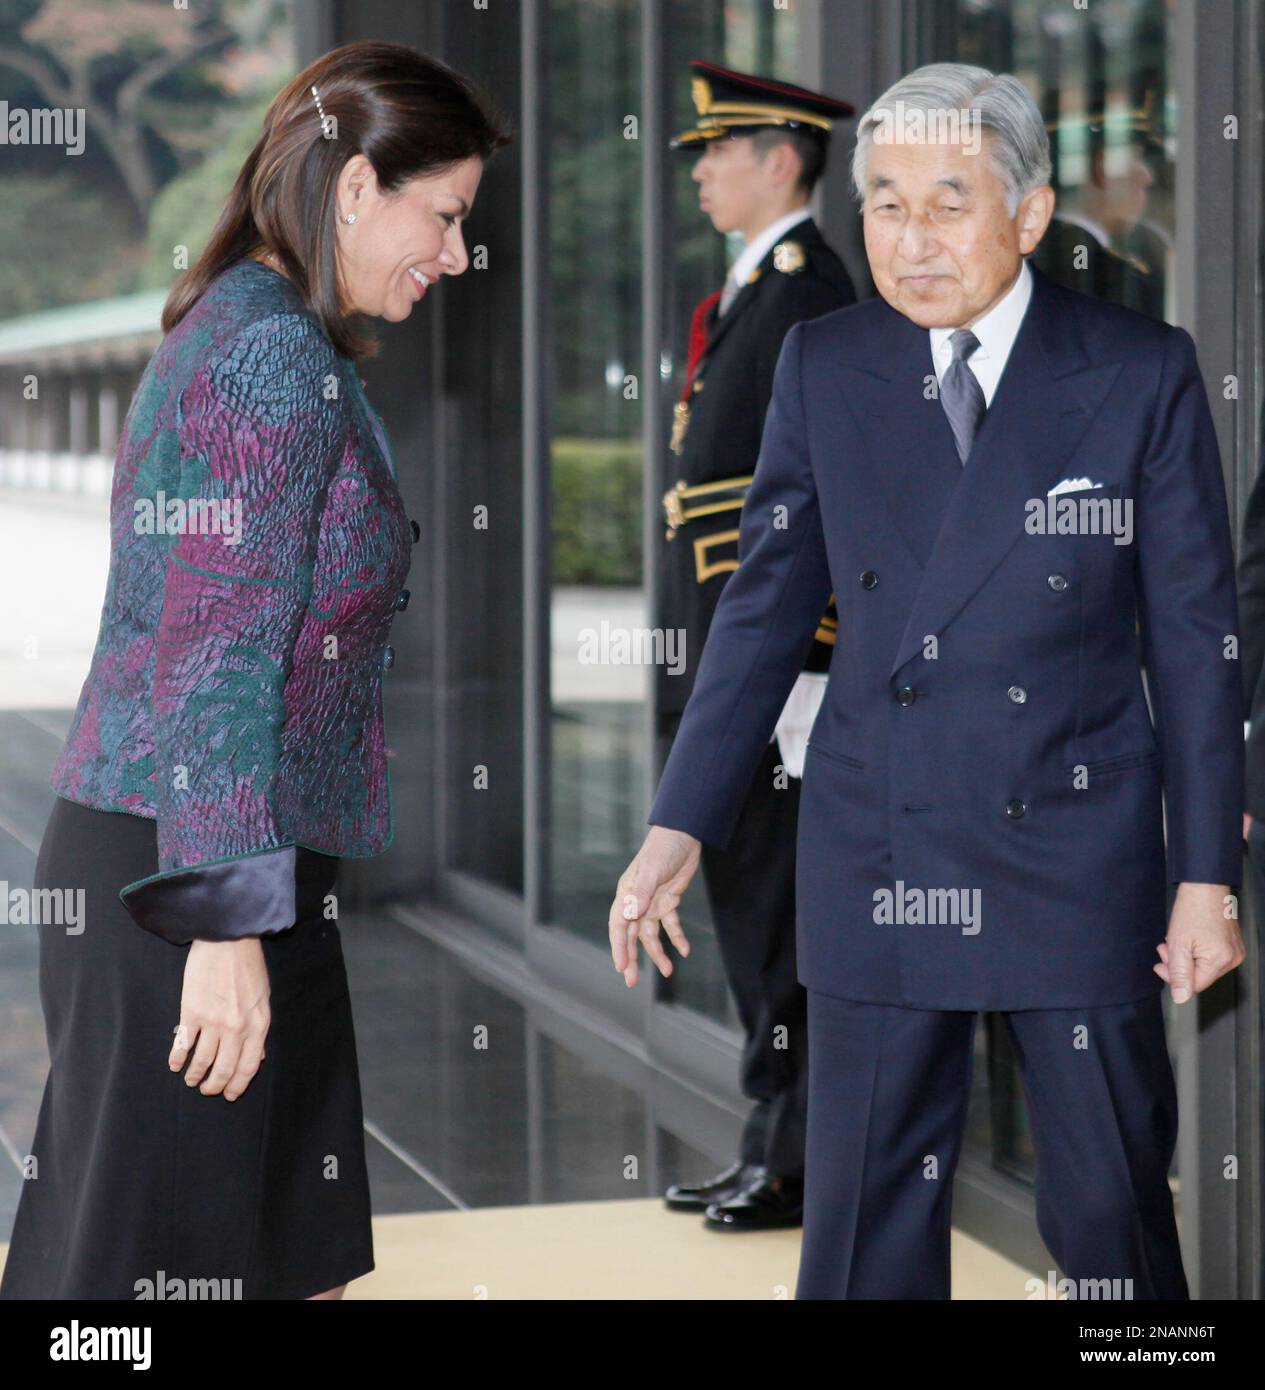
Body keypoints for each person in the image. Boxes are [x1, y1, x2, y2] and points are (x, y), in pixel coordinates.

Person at [610, 62, 1244, 1299]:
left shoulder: (1134, 368)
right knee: (859, 1227)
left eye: (947, 201)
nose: (910, 239)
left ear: (1027, 211)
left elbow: (1193, 637)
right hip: (878, 840)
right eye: (884, 205)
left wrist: (1203, 877)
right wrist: (676, 822)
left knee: (1110, 1213)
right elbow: (758, 615)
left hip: (1072, 845)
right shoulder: (825, 363)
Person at [0, 41, 509, 1301]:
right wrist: (220, 928)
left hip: (234, 870)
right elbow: (217, 643)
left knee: (284, 1258)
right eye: (441, 217)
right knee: (142, 1285)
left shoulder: (275, 331)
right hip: (187, 881)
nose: (453, 254)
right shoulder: (269, 351)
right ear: (355, 191)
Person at [657, 61, 856, 1232]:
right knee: (749, 906)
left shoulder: (800, 290)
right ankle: (764, 1140)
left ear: (780, 158)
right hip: (731, 663)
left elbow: (804, 509)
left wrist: (791, 673)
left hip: (781, 672)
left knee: (782, 920)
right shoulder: (751, 290)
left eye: (715, 152)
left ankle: (794, 1157)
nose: (700, 172)